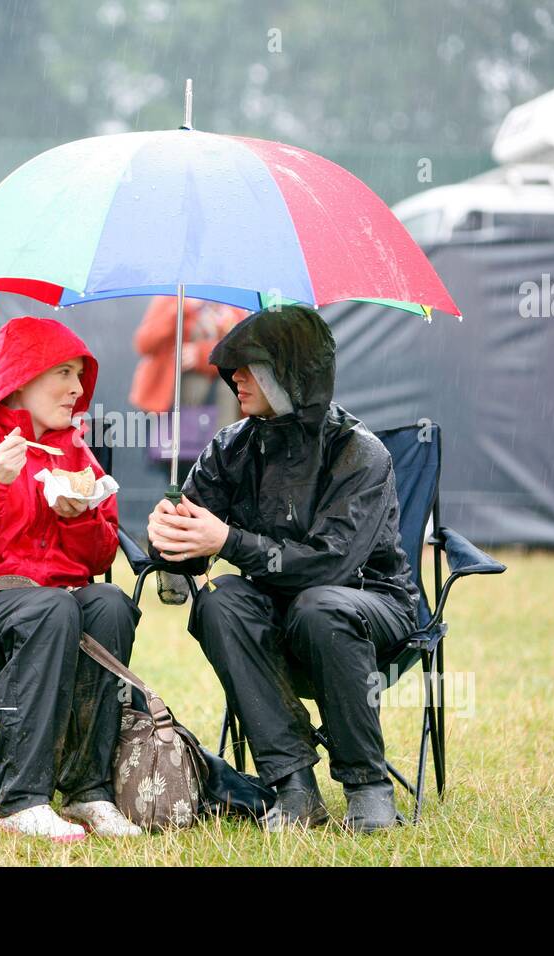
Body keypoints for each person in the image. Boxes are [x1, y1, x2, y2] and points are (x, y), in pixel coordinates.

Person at [146, 304, 419, 834]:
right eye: (235, 366)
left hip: (369, 608)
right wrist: (170, 537)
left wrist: (227, 538)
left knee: (320, 606)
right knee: (221, 599)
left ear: (292, 374)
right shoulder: (232, 447)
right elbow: (195, 551)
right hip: (277, 615)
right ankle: (293, 785)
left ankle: (367, 784)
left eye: (252, 366)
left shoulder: (358, 453)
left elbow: (332, 564)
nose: (235, 378)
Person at [0, 316, 142, 842]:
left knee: (108, 602)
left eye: (80, 375)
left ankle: (89, 792)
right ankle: (22, 800)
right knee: (54, 607)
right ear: (19, 378)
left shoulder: (76, 455)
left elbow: (102, 553)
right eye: (62, 372)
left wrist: (78, 514)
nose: (77, 388)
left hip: (52, 618)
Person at [129, 295, 244, 477]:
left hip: (219, 409)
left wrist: (201, 355)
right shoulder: (173, 297)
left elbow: (240, 351)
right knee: (180, 475)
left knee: (218, 469)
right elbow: (145, 343)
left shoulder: (231, 307)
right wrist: (180, 309)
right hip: (177, 408)